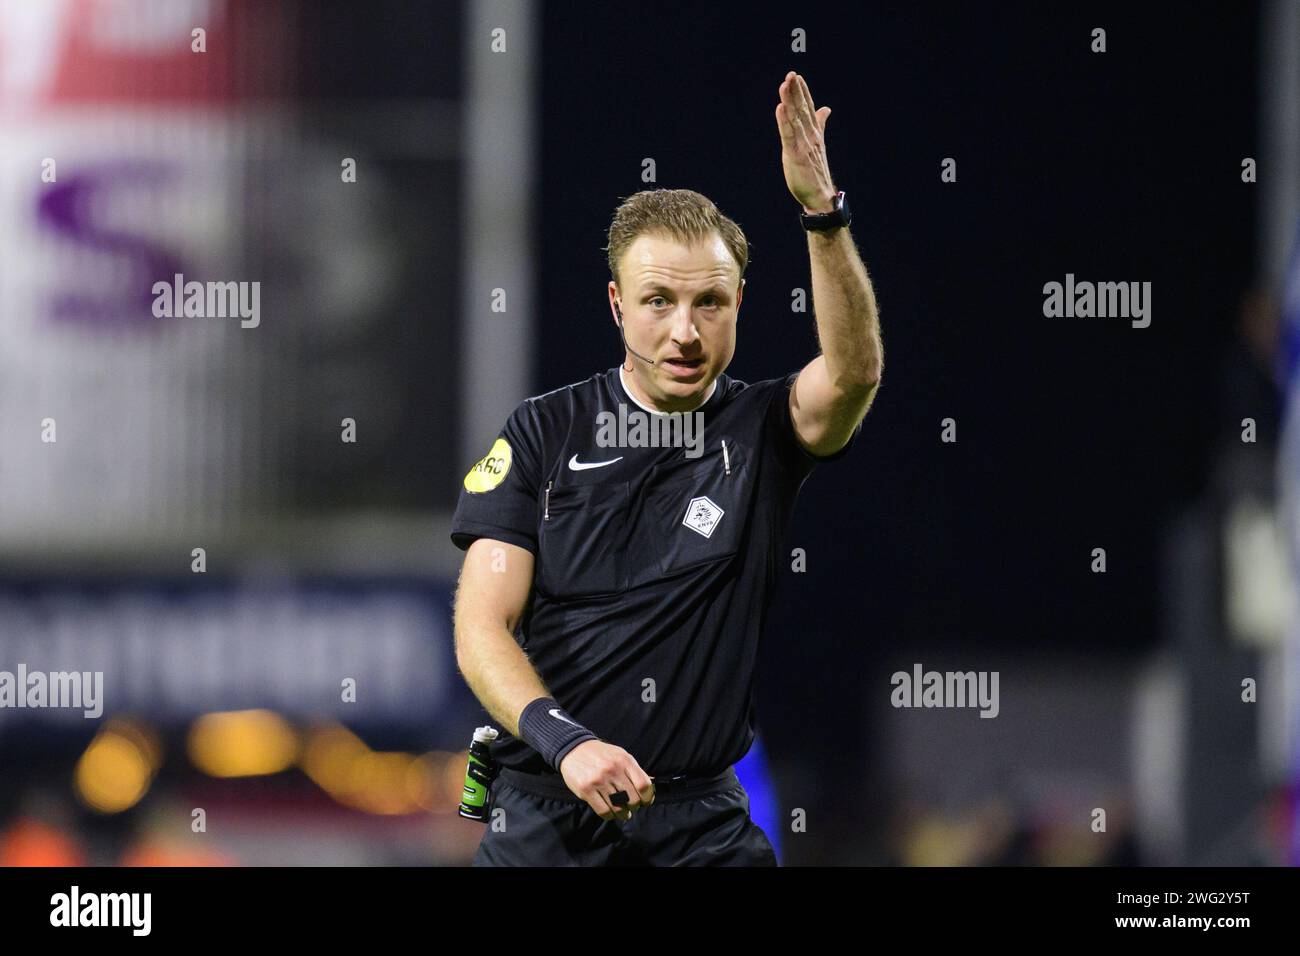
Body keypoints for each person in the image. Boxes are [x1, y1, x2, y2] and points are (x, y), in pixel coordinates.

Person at [450, 71, 883, 865]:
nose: (684, 332)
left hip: (700, 825)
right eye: (658, 302)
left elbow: (853, 375)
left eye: (708, 304)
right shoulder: (542, 431)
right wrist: (567, 742)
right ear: (617, 305)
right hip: (548, 813)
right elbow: (481, 624)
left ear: (741, 304)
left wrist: (823, 217)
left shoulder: (764, 431)